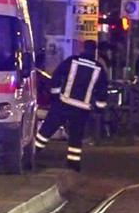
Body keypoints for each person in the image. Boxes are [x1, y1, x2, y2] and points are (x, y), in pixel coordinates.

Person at [34, 40, 109, 172]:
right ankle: (73, 165)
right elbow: (102, 92)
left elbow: (56, 78)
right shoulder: (99, 69)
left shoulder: (71, 61)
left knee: (46, 131)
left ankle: (32, 155)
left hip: (63, 103)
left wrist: (55, 95)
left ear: (83, 48)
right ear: (95, 51)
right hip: (82, 109)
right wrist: (98, 108)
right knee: (76, 138)